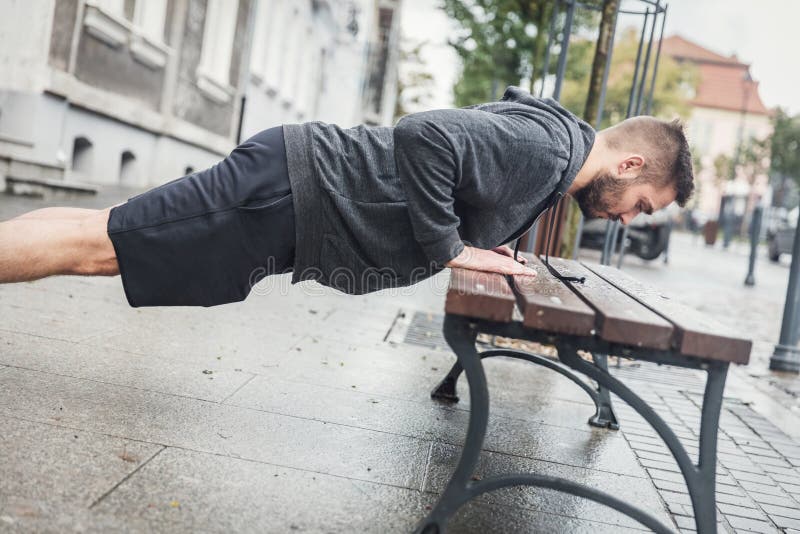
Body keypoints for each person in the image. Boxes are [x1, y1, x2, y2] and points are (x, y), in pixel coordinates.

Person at [0, 86, 693, 306]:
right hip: (291, 193)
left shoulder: (554, 142)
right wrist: (448, 247)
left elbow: (467, 136)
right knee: (103, 248)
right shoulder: (548, 150)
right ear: (631, 162)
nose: (632, 218)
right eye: (644, 203)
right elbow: (426, 134)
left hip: (293, 184)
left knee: (107, 230)